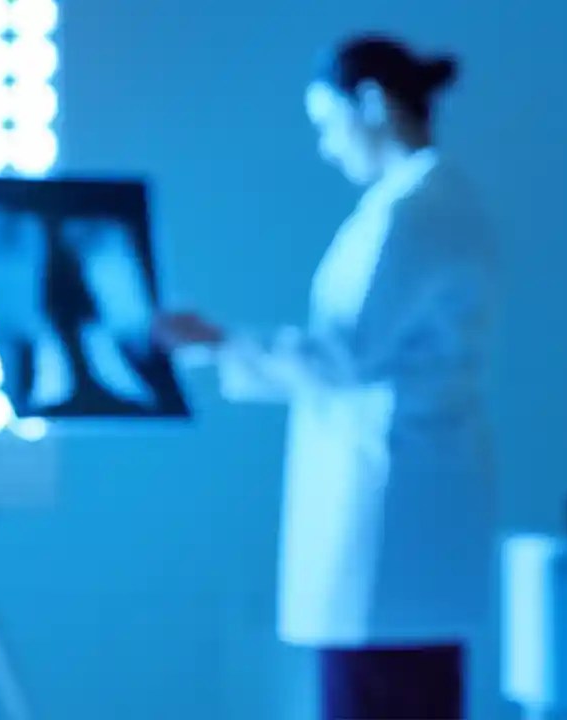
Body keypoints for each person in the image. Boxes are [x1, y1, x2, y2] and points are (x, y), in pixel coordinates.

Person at [153, 34, 497, 719]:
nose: (326, 147)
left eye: (326, 124)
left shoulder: (413, 213)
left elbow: (341, 357)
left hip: (387, 523)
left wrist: (219, 342)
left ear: (370, 102)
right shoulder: (432, 202)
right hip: (413, 518)